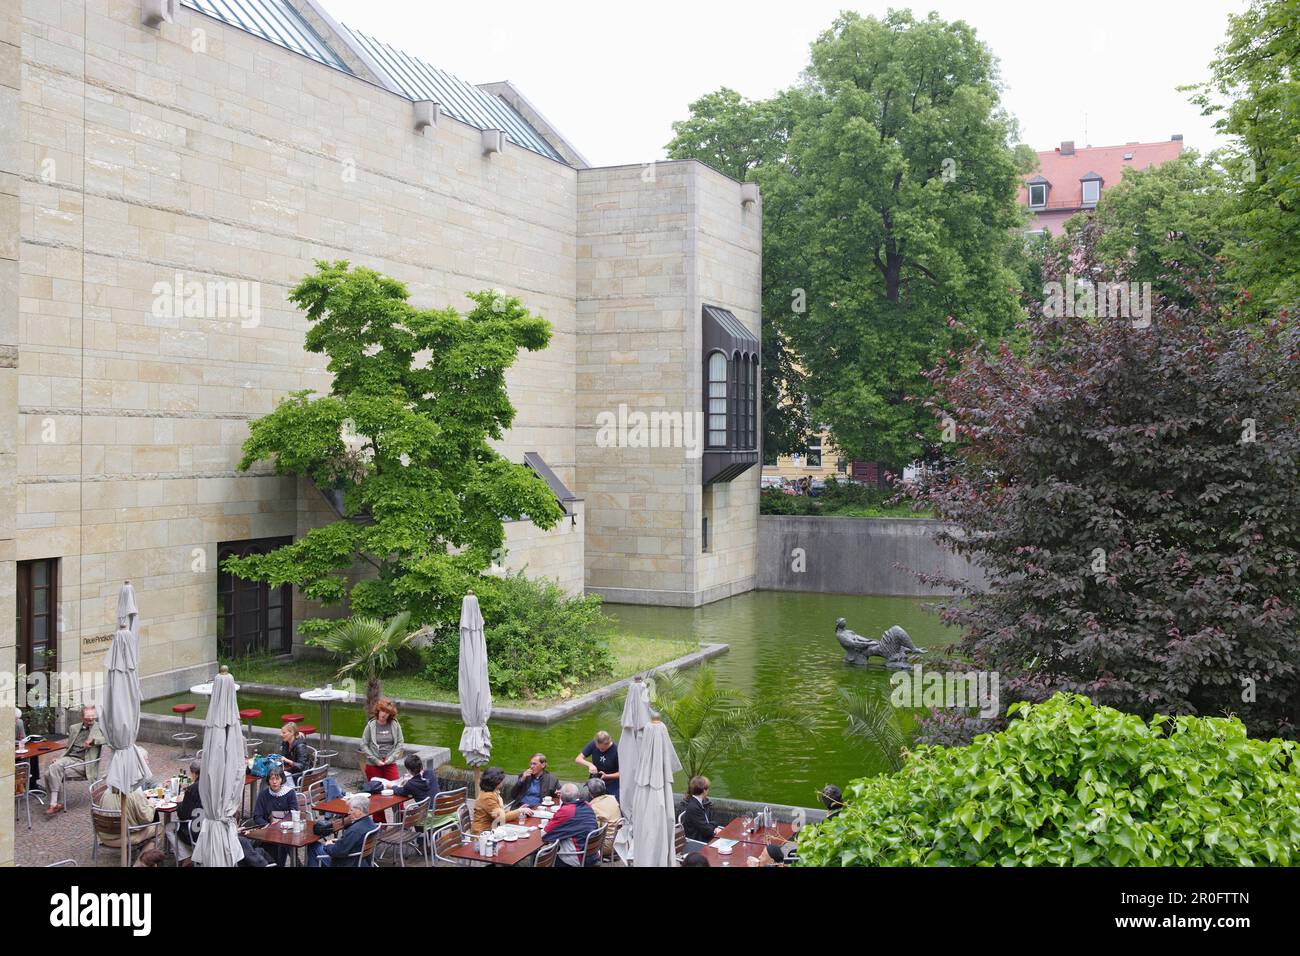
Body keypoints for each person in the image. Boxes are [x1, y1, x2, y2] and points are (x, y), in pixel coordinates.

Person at [43, 705, 106, 814]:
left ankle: (54, 803)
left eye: (93, 716)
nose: (91, 719)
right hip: (70, 759)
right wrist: (59, 758)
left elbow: (109, 739)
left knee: (52, 770)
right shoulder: (74, 728)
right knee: (50, 771)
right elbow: (69, 748)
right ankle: (56, 803)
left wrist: (93, 741)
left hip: (85, 763)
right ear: (82, 717)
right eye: (87, 717)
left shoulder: (100, 728)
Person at [308, 793, 378, 867]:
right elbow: (352, 843)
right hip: (361, 861)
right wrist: (340, 841)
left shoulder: (354, 831)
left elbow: (338, 852)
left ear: (359, 811)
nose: (348, 812)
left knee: (313, 846)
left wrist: (328, 845)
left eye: (351, 810)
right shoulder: (371, 823)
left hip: (347, 863)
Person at [541, 782, 599, 867]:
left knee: (541, 856)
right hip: (593, 854)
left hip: (579, 857)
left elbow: (544, 835)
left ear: (561, 797)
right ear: (578, 795)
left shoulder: (567, 811)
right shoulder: (587, 805)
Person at [471, 766, 528, 834]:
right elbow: (501, 817)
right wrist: (519, 811)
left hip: (492, 828)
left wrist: (518, 811)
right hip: (483, 833)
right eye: (501, 779)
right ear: (496, 781)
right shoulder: (487, 797)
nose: (503, 781)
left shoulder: (493, 792)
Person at [360, 699, 405, 783]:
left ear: (390, 714)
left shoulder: (395, 724)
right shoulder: (371, 725)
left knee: (394, 786)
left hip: (390, 762)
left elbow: (400, 743)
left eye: (387, 712)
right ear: (378, 711)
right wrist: (375, 760)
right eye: (382, 711)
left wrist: (391, 758)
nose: (384, 714)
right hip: (373, 763)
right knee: (376, 789)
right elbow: (363, 744)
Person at [574, 730, 620, 801]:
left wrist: (607, 776)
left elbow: (623, 773)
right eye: (598, 748)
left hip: (612, 781)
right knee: (585, 799)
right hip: (596, 780)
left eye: (603, 748)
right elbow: (578, 759)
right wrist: (590, 765)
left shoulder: (617, 750)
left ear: (608, 743)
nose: (600, 750)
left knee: (613, 801)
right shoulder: (593, 744)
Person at [680, 776, 721, 844]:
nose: (708, 790)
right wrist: (715, 826)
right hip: (697, 841)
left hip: (702, 835)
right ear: (704, 790)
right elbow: (706, 830)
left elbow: (704, 826)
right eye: (708, 788)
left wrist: (713, 827)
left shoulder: (697, 802)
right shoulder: (694, 807)